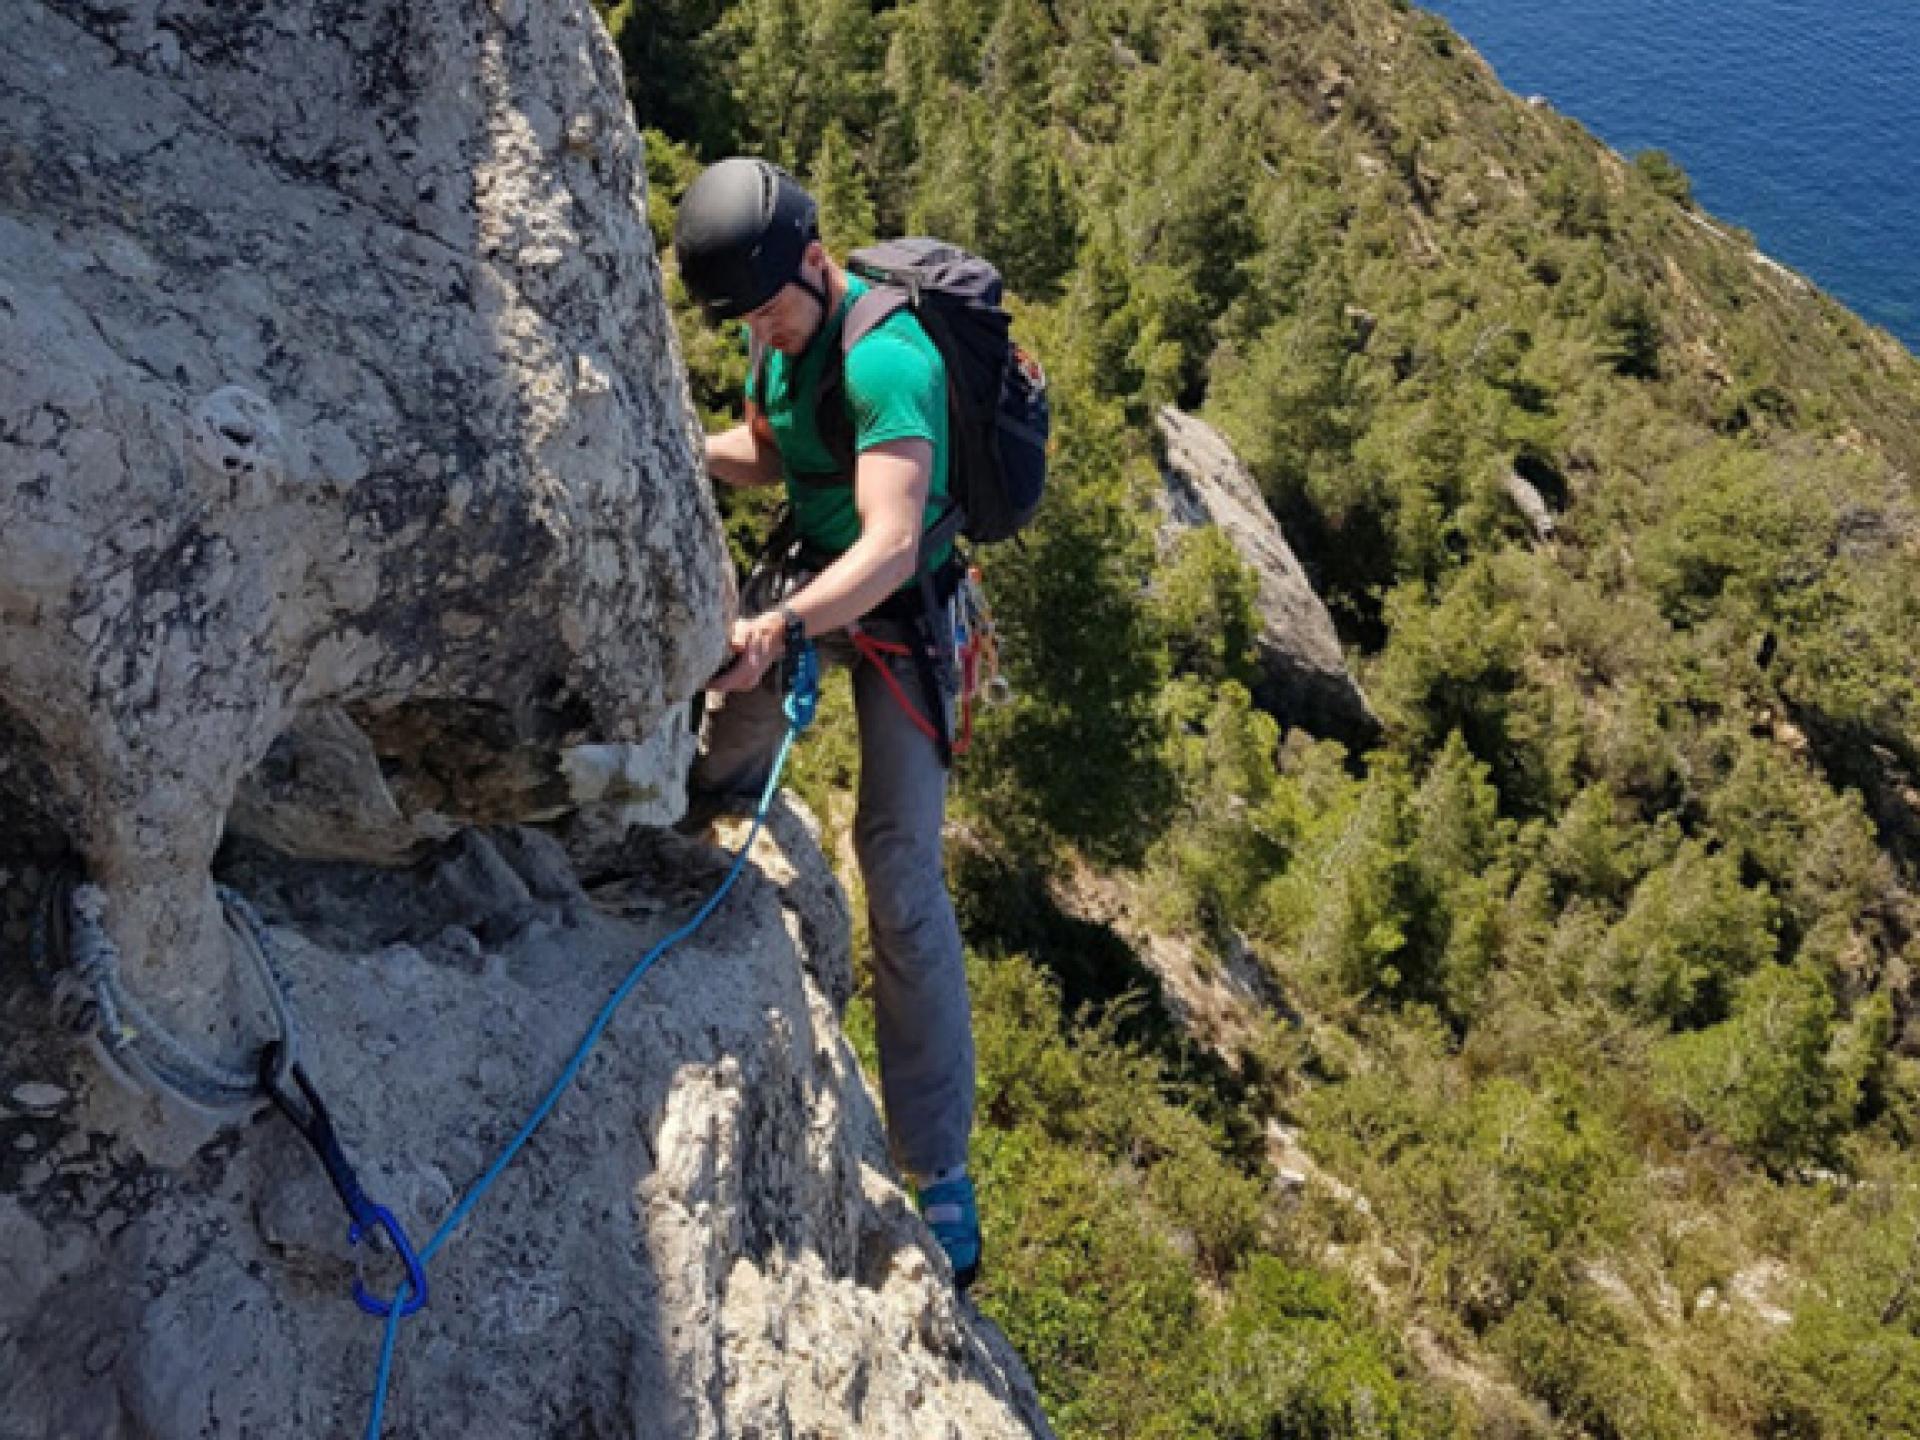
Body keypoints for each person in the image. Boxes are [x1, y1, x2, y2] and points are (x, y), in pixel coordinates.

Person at [672, 156, 981, 1290]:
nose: (764, 332)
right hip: (812, 571)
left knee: (898, 871)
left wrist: (783, 628)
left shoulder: (888, 359)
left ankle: (939, 1170)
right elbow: (772, 450)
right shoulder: (779, 323)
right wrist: (681, 444)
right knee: (722, 763)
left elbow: (891, 544)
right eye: (746, 320)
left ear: (816, 259)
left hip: (901, 610)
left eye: (772, 311)